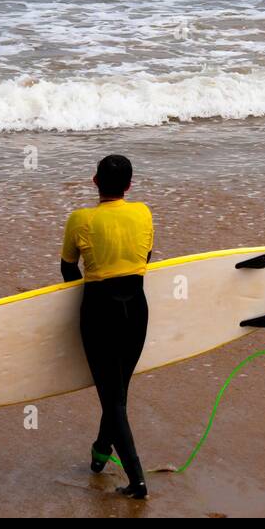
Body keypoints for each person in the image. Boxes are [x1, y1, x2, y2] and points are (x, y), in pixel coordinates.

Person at [60, 154, 153, 499]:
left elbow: (69, 272)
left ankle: (138, 480)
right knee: (117, 393)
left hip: (99, 312)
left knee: (113, 399)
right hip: (138, 310)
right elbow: (144, 260)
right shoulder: (144, 213)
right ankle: (101, 451)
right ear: (129, 186)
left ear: (95, 181)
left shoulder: (80, 219)